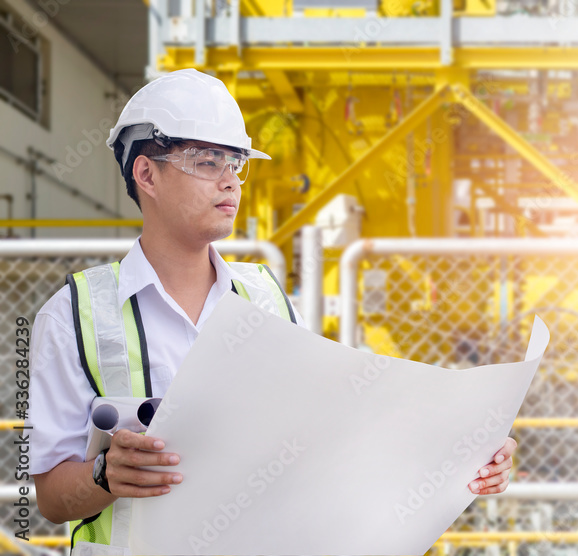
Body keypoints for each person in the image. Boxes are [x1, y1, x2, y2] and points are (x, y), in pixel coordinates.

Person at [27, 69, 516, 554]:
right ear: (146, 173)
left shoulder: (266, 297)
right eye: (206, 160)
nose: (230, 182)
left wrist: (466, 453)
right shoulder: (73, 315)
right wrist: (104, 475)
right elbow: (51, 496)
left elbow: (338, 431)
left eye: (235, 162)